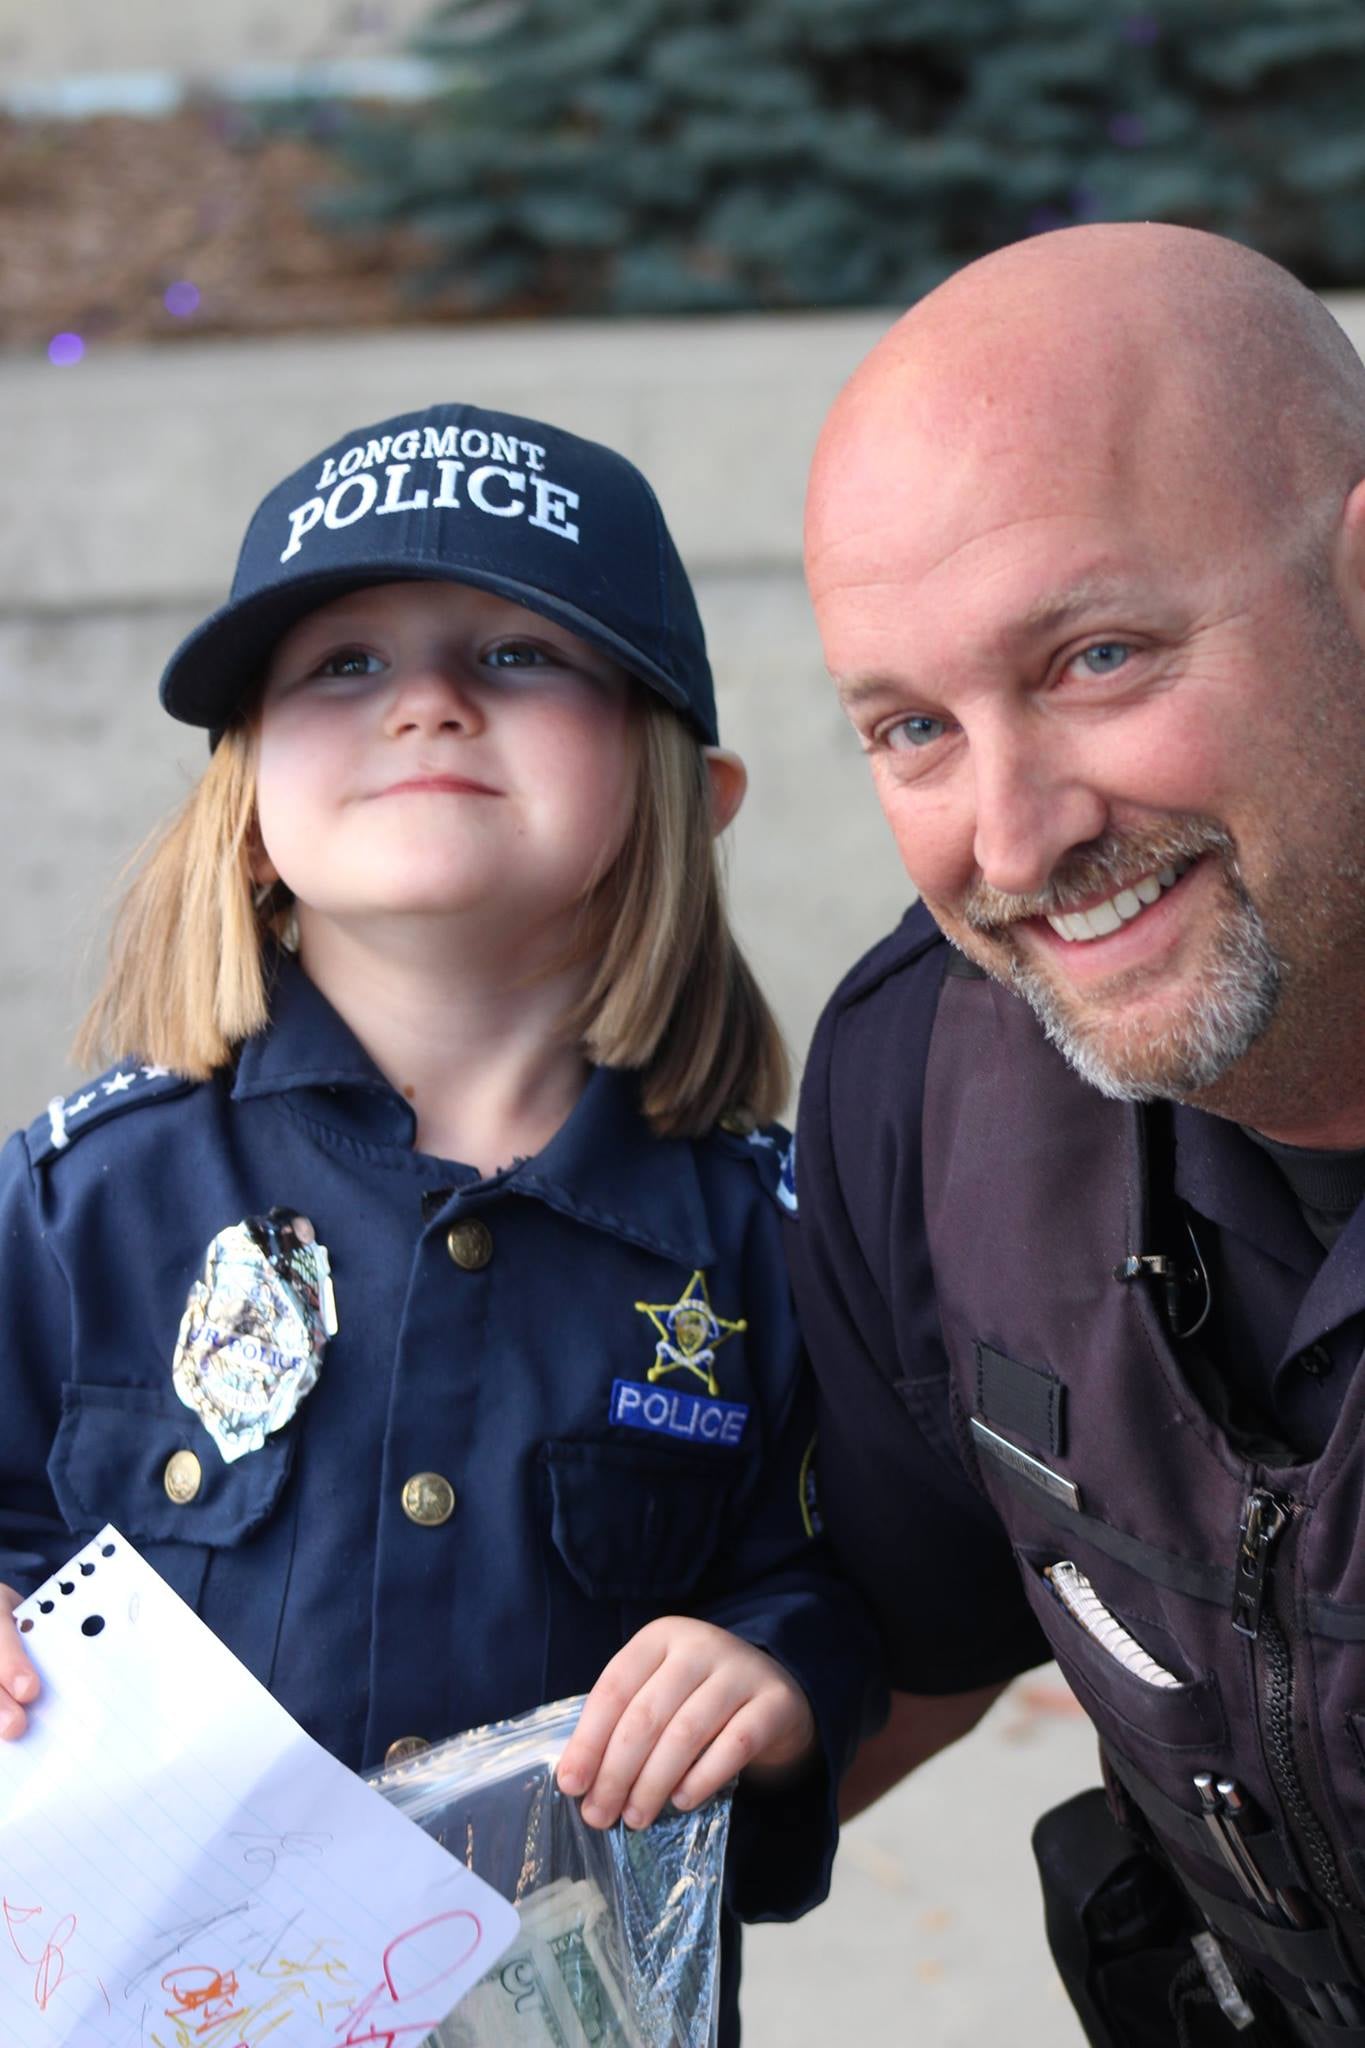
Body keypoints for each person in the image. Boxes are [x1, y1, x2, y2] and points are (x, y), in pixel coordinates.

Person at [0, 401, 881, 2041]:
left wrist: (774, 1681)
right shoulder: (77, 1200)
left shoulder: (773, 1240)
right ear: (245, 792)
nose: (424, 701)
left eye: (519, 653)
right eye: (340, 664)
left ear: (686, 784)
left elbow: (829, 1584)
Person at [792, 221, 1365, 2047]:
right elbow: (879, 1650)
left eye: (1096, 656)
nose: (1013, 840)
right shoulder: (929, 1089)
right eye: (909, 731)